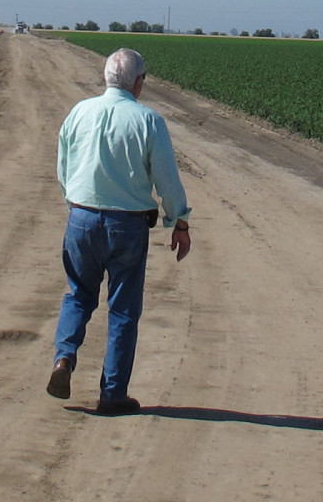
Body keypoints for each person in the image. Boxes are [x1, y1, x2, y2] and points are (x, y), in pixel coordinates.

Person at [47, 47, 192, 415]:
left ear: (107, 78)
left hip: (81, 217)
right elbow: (167, 180)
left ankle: (64, 358)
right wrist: (179, 221)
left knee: (79, 295)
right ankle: (113, 394)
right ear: (138, 82)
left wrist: (75, 205)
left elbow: (64, 167)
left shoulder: (80, 111)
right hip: (126, 226)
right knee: (123, 310)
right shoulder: (148, 121)